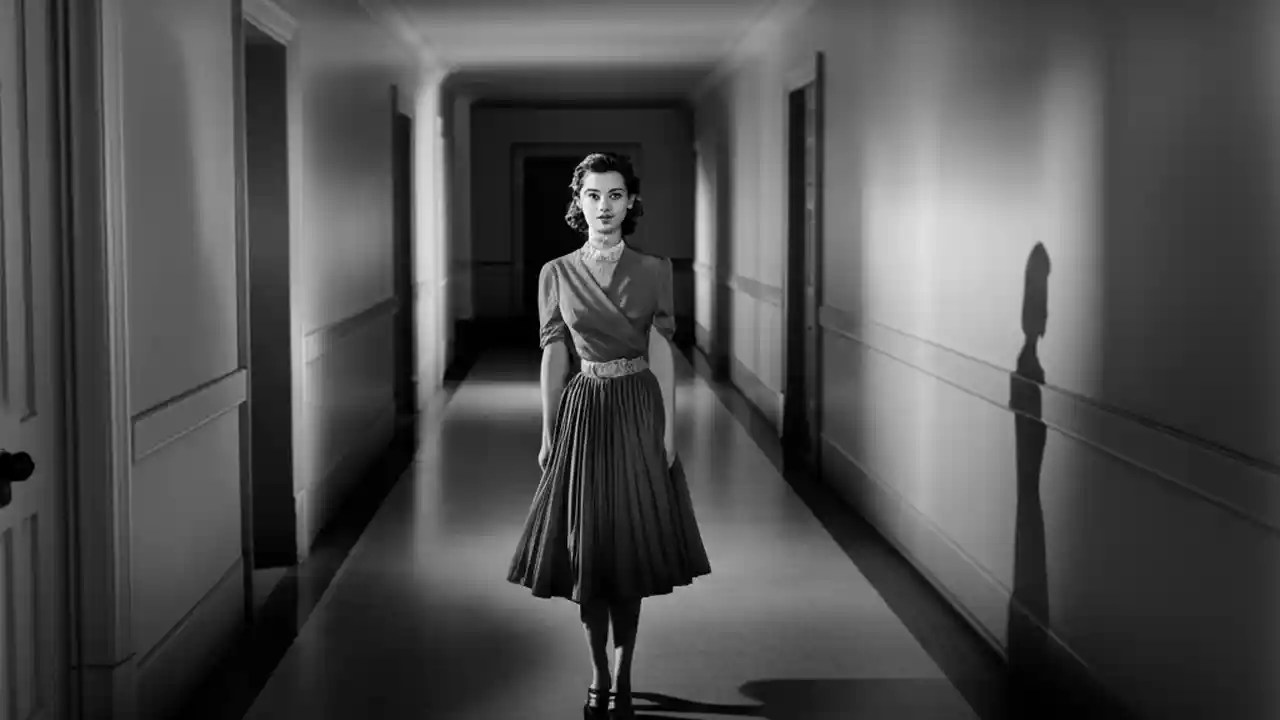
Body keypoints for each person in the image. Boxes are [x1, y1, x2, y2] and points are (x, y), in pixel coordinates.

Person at [507, 152, 711, 719]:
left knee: (631, 548)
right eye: (593, 196)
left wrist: (669, 425)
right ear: (578, 203)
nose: (604, 207)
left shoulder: (655, 269)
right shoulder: (556, 273)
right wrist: (549, 430)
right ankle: (598, 669)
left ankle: (625, 671)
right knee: (590, 548)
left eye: (615, 195)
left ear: (631, 202)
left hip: (638, 407)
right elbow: (554, 353)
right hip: (585, 411)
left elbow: (663, 349)